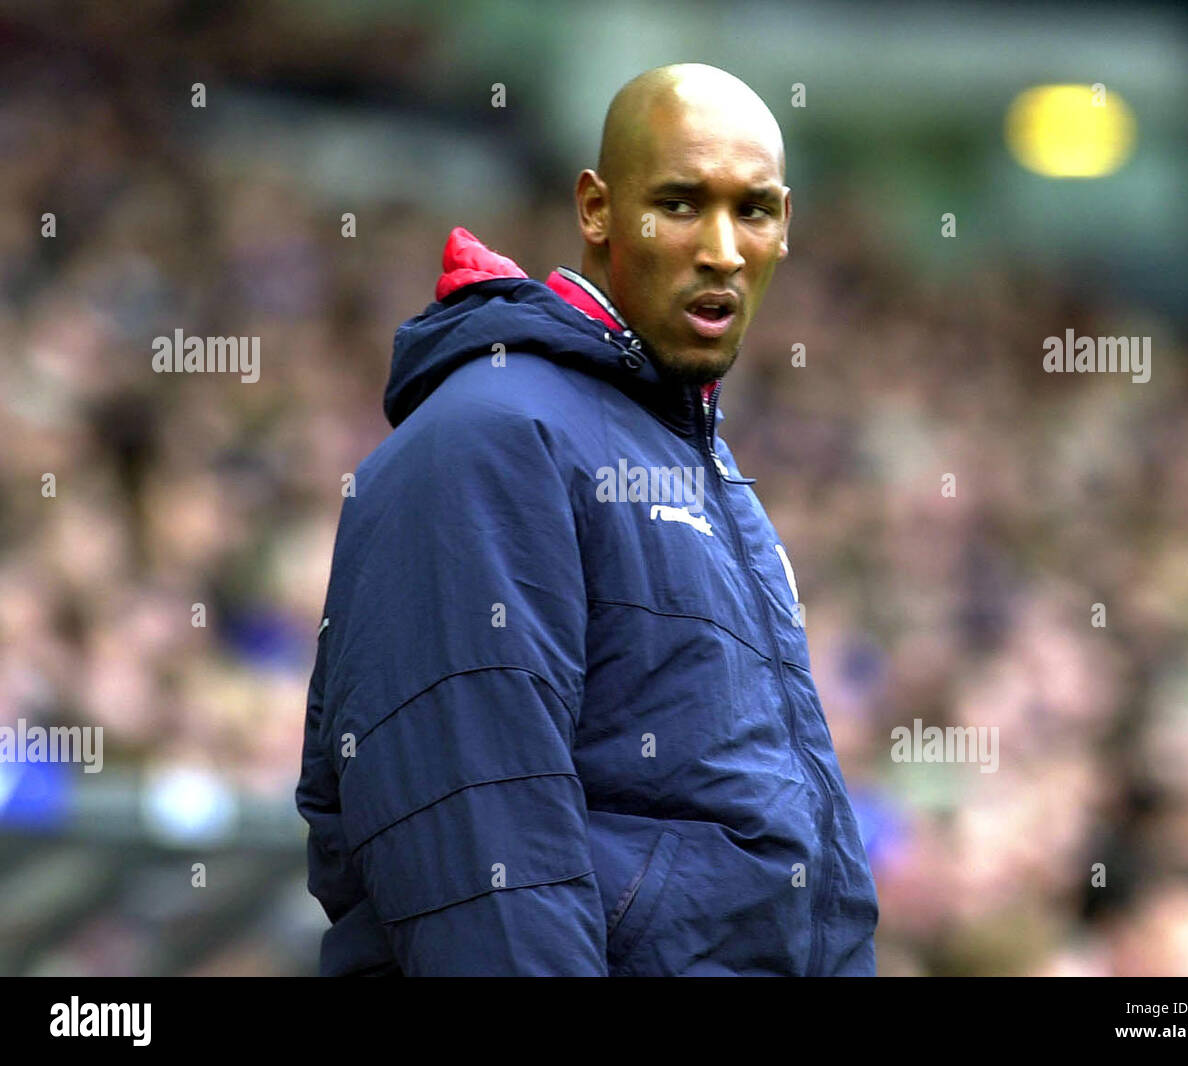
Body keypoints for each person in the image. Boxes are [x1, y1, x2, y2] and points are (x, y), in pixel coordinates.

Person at [296, 62, 880, 976]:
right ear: (598, 209)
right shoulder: (491, 436)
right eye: (681, 204)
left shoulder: (698, 459)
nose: (723, 247)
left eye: (754, 210)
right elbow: (480, 846)